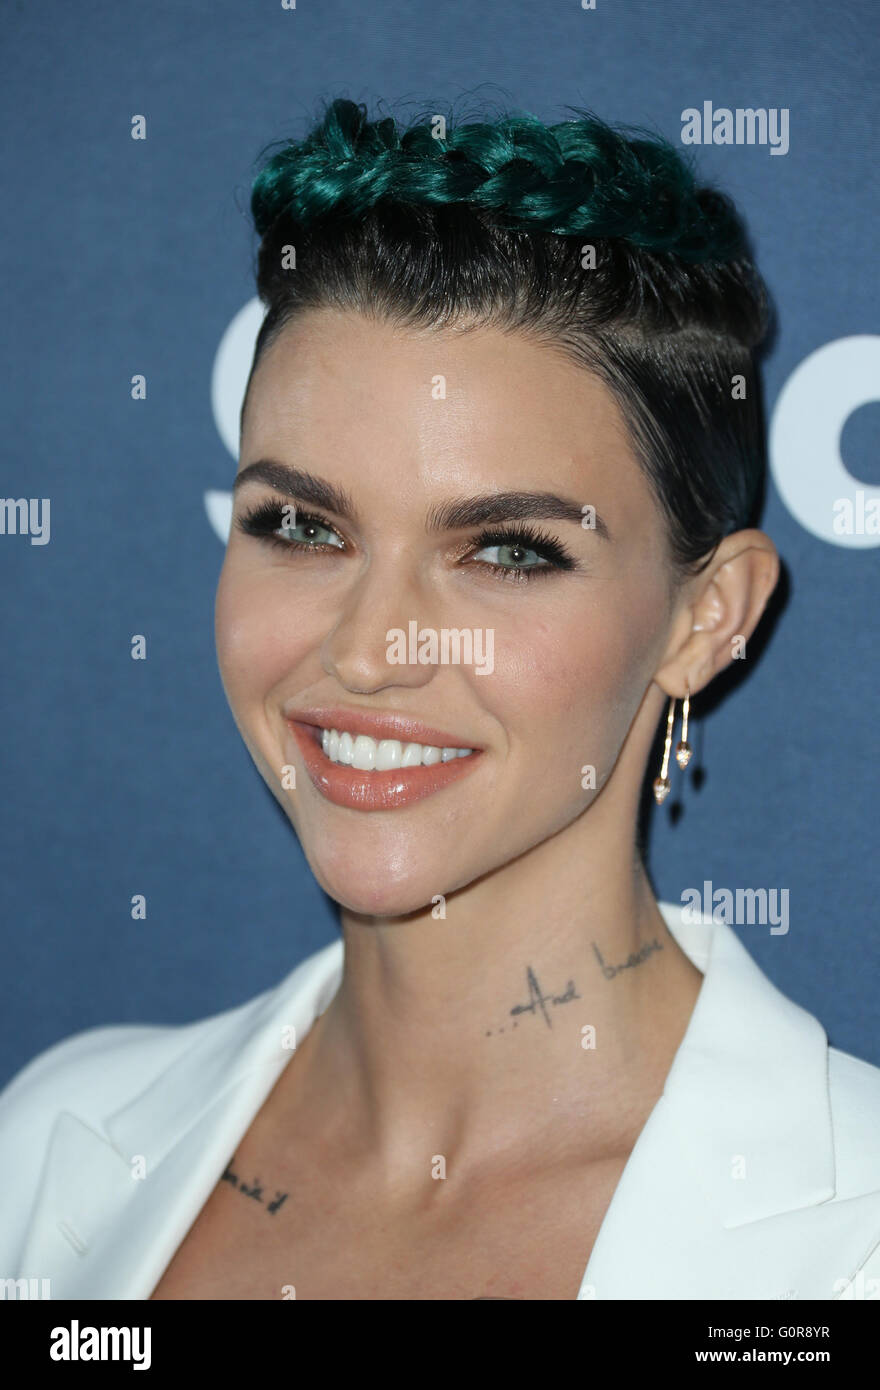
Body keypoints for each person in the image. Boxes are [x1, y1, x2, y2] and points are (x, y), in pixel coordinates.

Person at [2, 97, 879, 1302]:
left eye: (507, 551)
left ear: (704, 616)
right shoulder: (54, 1141)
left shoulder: (849, 1244)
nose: (368, 649)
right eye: (300, 527)